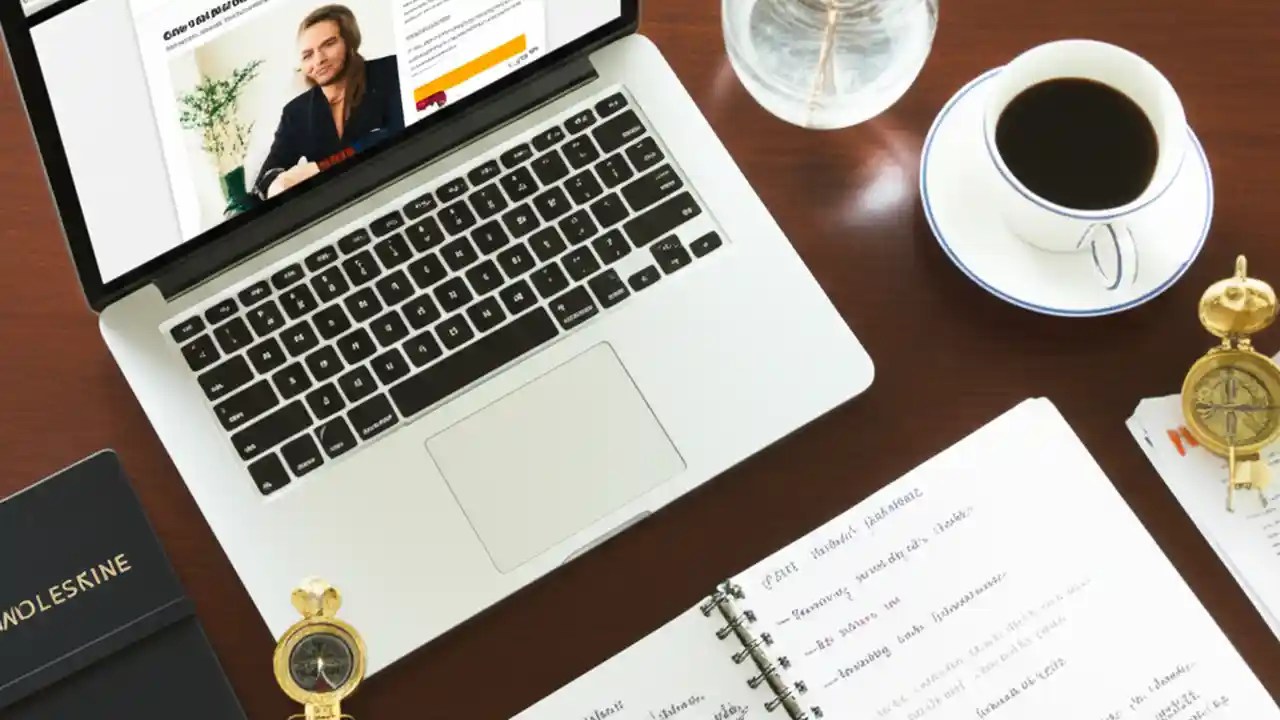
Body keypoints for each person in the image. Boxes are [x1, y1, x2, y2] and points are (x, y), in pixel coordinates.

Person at [254, 4, 404, 199]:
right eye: (308, 55)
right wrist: (277, 184)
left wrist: (320, 168)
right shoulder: (295, 112)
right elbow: (268, 174)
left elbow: (400, 131)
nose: (319, 60)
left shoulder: (391, 70)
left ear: (350, 41)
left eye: (329, 44)